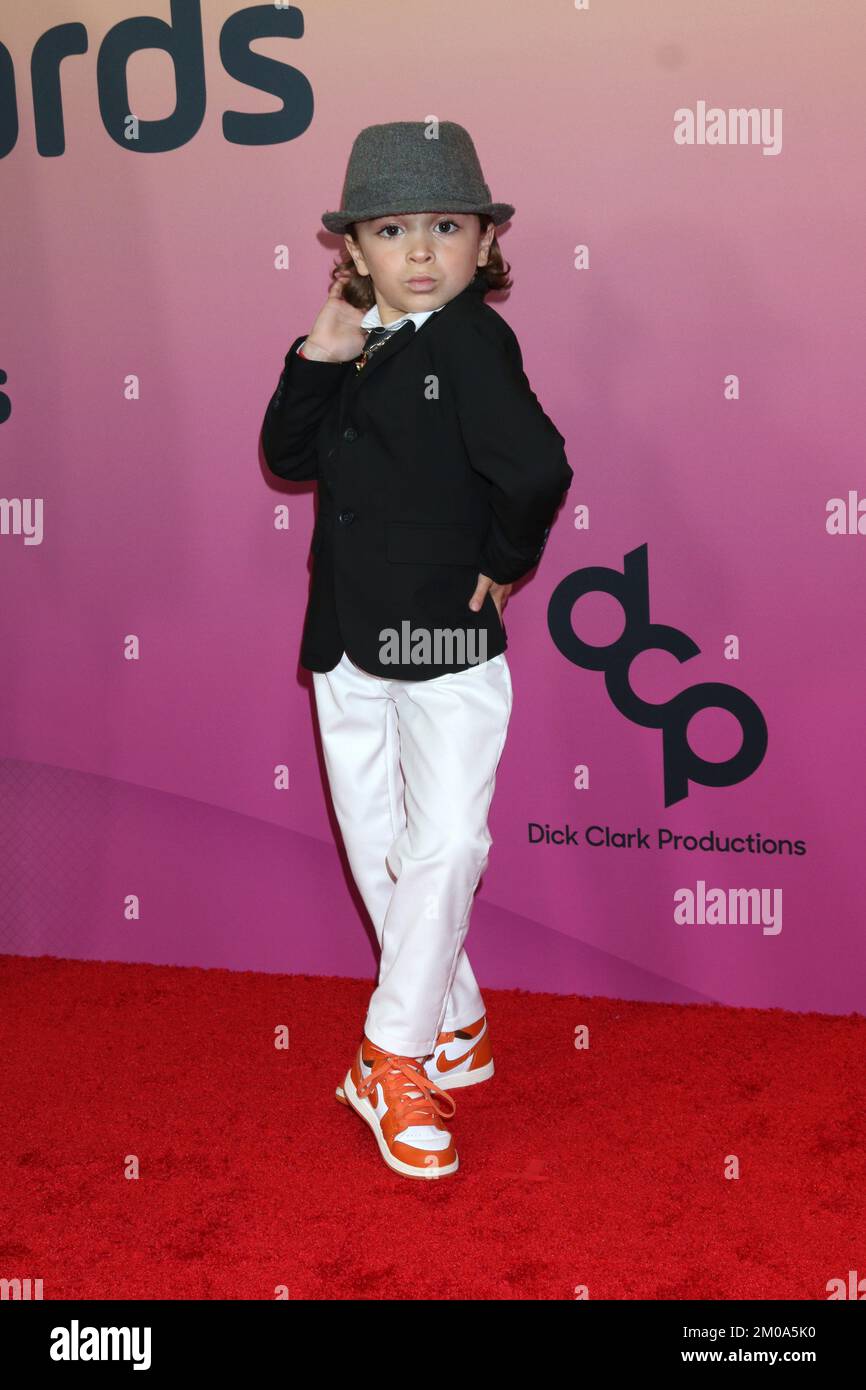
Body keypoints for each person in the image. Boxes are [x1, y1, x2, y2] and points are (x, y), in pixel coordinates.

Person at [260, 121, 573, 1179]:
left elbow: (535, 467)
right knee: (381, 847)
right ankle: (457, 1018)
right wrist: (318, 352)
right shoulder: (362, 341)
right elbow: (287, 455)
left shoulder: (468, 340)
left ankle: (389, 1056)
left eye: (447, 225)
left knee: (442, 845)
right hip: (346, 637)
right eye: (392, 230)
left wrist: (503, 562)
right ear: (353, 249)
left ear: (485, 240)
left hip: (441, 635)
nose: (423, 250)